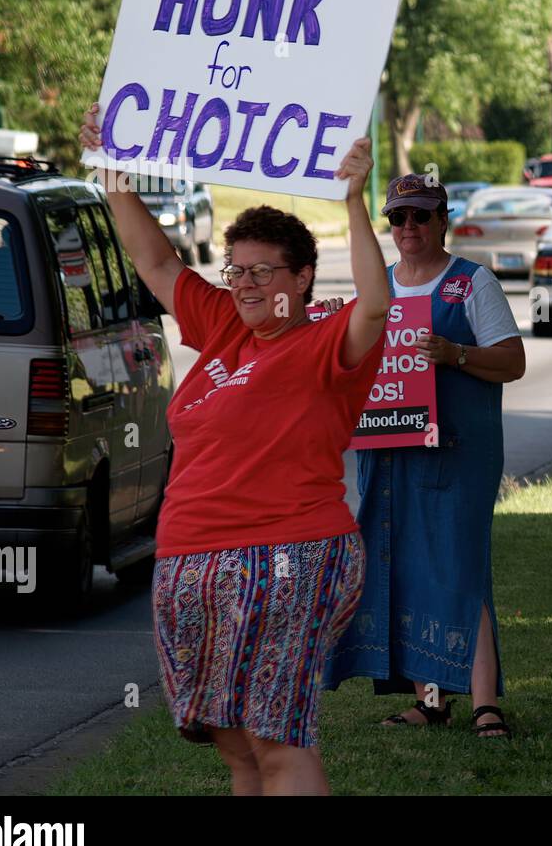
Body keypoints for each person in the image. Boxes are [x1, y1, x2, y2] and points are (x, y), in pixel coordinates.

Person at [78, 105, 388, 796]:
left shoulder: (325, 342)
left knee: (276, 740)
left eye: (261, 272)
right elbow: (155, 260)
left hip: (289, 555)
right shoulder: (223, 324)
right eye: (235, 269)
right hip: (191, 558)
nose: (243, 284)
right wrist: (111, 169)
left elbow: (376, 302)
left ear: (302, 278)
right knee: (237, 746)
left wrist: (353, 202)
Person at [325, 173, 526, 738]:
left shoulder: (472, 283)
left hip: (458, 453)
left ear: (443, 221)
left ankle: (485, 703)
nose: (408, 227)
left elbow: (512, 361)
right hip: (388, 451)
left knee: (461, 567)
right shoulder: (376, 288)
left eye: (419, 216)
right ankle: (431, 701)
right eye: (397, 217)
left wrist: (455, 353)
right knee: (400, 564)